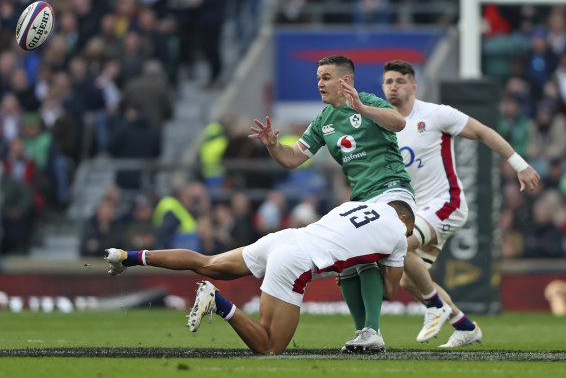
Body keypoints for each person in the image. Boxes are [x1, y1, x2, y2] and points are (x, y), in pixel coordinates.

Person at [249, 55, 414, 351]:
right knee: (347, 266)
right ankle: (366, 333)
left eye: (326, 77)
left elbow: (399, 122)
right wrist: (273, 146)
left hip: (392, 194)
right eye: (318, 78)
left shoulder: (367, 100)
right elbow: (293, 158)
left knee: (364, 258)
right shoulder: (323, 121)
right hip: (362, 202)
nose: (320, 83)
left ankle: (373, 328)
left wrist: (362, 109)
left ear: (345, 81)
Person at [105, 200, 414, 355]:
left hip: (283, 239)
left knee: (206, 262)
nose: (407, 235)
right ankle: (219, 302)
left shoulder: (356, 205)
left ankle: (127, 257)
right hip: (296, 262)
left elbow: (347, 243)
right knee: (269, 346)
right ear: (403, 219)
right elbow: (388, 289)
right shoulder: (399, 232)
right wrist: (379, 264)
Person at [381, 60, 541, 347]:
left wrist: (519, 164)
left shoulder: (435, 114)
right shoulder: (384, 125)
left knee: (397, 244)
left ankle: (434, 307)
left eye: (400, 81)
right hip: (418, 212)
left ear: (413, 87)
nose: (393, 86)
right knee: (409, 280)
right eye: (389, 81)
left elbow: (482, 131)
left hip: (447, 203)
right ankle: (464, 325)